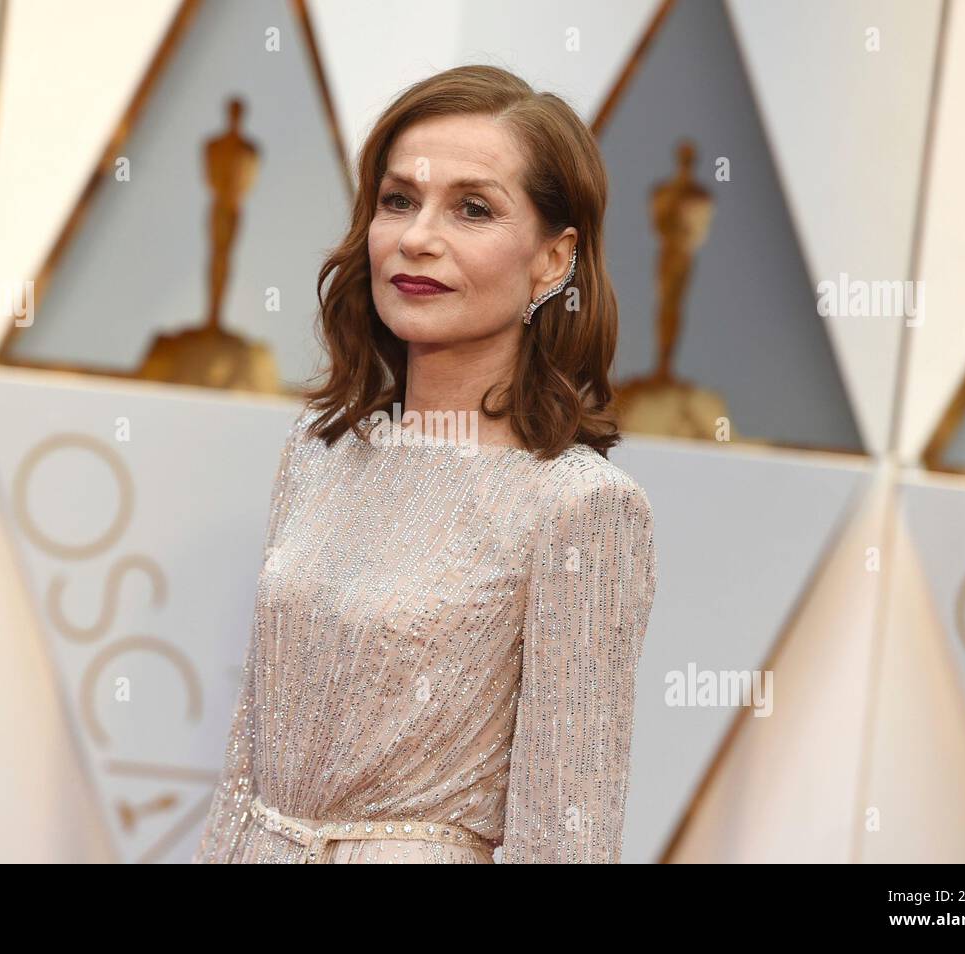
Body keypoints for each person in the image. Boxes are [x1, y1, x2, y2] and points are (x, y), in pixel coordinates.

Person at [191, 64, 657, 863]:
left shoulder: (580, 506)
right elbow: (246, 764)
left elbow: (567, 840)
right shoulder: (319, 450)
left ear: (553, 260)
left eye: (472, 209)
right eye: (398, 199)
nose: (416, 237)